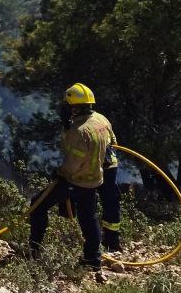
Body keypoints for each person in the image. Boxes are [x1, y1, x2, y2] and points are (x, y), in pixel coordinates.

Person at [28, 82, 117, 272]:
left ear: (74, 107)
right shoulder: (102, 120)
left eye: (67, 106)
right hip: (95, 179)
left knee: (37, 205)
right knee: (89, 218)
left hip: (76, 180)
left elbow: (73, 164)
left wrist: (59, 173)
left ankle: (33, 251)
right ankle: (92, 259)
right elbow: (112, 144)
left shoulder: (78, 131)